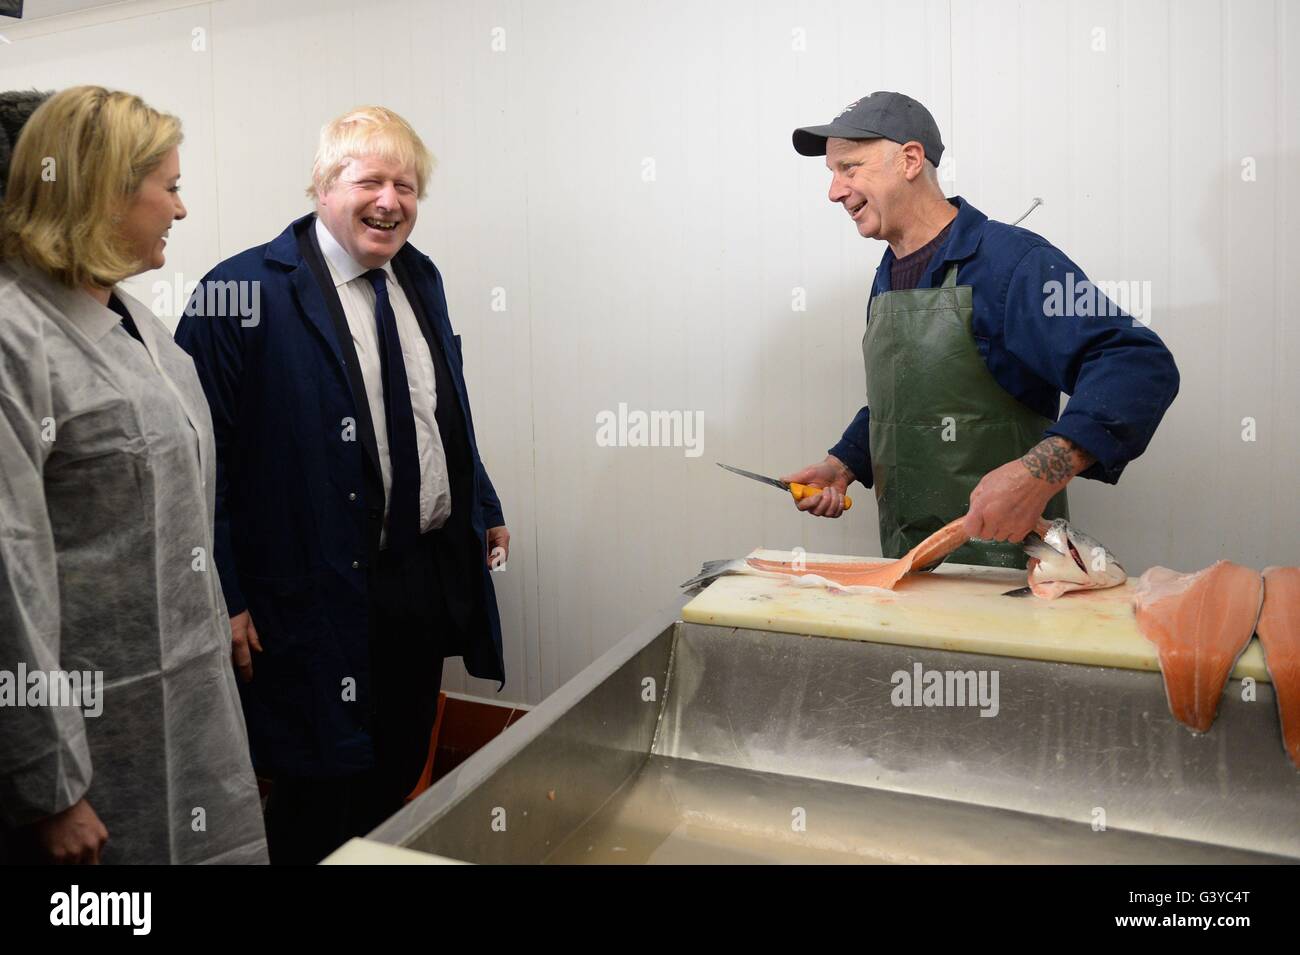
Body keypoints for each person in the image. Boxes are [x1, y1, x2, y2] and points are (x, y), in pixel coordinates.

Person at [176, 106, 510, 864]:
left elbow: (438, 409)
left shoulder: (419, 277)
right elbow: (198, 462)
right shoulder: (239, 293)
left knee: (394, 760)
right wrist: (221, 594)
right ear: (324, 185)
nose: (391, 200)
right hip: (309, 590)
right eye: (370, 181)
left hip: (415, 578)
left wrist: (480, 503)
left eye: (407, 184)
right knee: (317, 785)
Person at [0, 85, 268, 864]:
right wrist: (50, 786)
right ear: (100, 191)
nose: (181, 211)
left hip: (183, 695)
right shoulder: (17, 337)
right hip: (80, 742)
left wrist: (212, 608)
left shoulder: (134, 321)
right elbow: (9, 572)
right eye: (170, 187)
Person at [783, 91, 1179, 567]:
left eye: (850, 168)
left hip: (1009, 575)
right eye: (832, 173)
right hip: (913, 566)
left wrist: (1039, 472)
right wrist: (841, 465)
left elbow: (1136, 364)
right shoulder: (889, 273)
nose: (834, 191)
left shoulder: (1012, 263)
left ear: (909, 160)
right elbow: (914, 403)